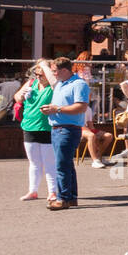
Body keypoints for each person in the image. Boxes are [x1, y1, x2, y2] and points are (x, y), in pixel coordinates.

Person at [40, 57, 89, 210]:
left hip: (68, 129)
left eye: (55, 71)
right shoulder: (60, 83)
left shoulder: (79, 84)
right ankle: (71, 197)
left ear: (64, 70)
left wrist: (57, 109)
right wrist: (51, 108)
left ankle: (63, 199)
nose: (53, 74)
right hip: (58, 128)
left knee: (62, 165)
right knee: (66, 164)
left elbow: (81, 107)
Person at [13, 60, 57, 203]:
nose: (38, 76)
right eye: (37, 73)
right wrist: (21, 94)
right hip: (29, 126)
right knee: (34, 162)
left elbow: (54, 81)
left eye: (41, 74)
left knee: (49, 163)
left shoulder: (53, 86)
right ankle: (33, 191)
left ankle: (52, 192)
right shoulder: (31, 83)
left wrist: (45, 66)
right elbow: (17, 97)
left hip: (47, 127)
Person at [73, 51, 111, 168]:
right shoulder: (78, 106)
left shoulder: (87, 108)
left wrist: (93, 129)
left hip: (87, 127)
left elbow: (90, 124)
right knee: (91, 136)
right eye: (89, 59)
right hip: (79, 128)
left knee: (108, 135)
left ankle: (99, 157)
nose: (91, 62)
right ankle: (95, 160)